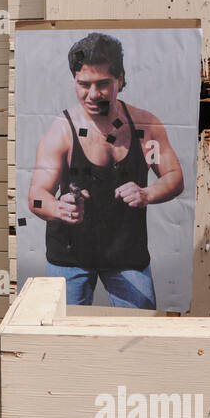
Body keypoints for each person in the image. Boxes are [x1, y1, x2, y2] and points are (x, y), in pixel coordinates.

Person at [28, 32, 184, 308]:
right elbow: (36, 197)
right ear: (74, 81)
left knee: (138, 337)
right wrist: (58, 208)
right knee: (64, 339)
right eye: (83, 84)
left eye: (102, 84)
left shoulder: (144, 126)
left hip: (125, 253)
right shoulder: (61, 131)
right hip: (70, 255)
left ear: (120, 79)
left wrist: (147, 194)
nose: (92, 94)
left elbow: (174, 177)